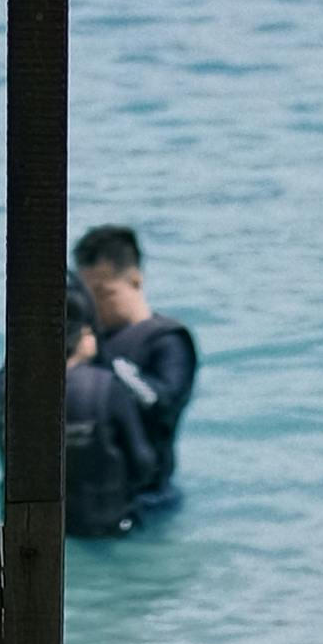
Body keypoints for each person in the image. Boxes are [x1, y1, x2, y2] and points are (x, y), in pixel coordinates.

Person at [68, 219, 197, 534]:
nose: (94, 305)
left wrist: (105, 364)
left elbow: (162, 403)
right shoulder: (85, 340)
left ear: (135, 280)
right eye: (87, 294)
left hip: (147, 499)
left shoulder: (167, 340)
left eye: (103, 292)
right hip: (87, 500)